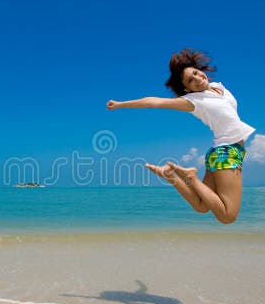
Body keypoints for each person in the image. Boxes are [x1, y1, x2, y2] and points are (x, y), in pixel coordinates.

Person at [106, 47, 255, 224]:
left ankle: (170, 176)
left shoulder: (217, 87)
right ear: (187, 88)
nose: (198, 79)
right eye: (191, 81)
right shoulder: (193, 101)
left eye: (196, 73)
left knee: (201, 206)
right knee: (227, 216)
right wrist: (120, 104)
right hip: (226, 153)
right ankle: (190, 177)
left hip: (222, 152)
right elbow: (153, 102)